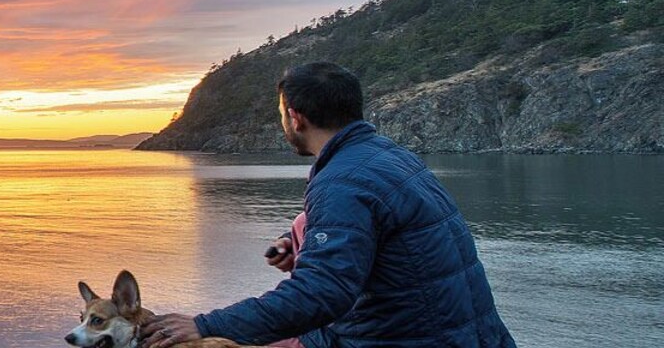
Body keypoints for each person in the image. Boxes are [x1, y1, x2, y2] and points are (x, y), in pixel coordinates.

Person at [141, 62, 515, 348]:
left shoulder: (342, 183)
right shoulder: (390, 157)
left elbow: (320, 295)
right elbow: (380, 236)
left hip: (398, 337)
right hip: (469, 332)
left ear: (295, 118)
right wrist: (300, 240)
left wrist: (206, 324)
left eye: (280, 114)